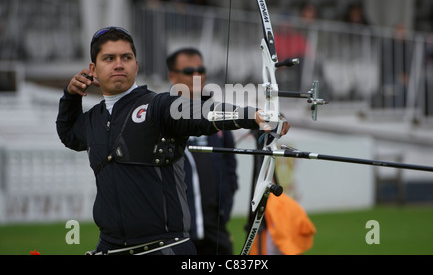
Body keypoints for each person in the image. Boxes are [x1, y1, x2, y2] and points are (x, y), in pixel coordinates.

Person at [56, 26, 289, 255]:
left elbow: (202, 113)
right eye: (109, 58)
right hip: (110, 248)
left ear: (136, 66)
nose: (119, 64)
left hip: (164, 248)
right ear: (93, 70)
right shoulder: (92, 120)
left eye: (126, 57)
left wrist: (254, 116)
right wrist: (71, 95)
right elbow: (68, 134)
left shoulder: (159, 105)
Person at [167, 48, 237, 254]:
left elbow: (229, 168)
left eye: (200, 70)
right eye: (189, 71)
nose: (196, 76)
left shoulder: (217, 114)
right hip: (175, 231)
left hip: (215, 229)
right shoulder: (162, 116)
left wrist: (223, 212)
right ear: (173, 76)